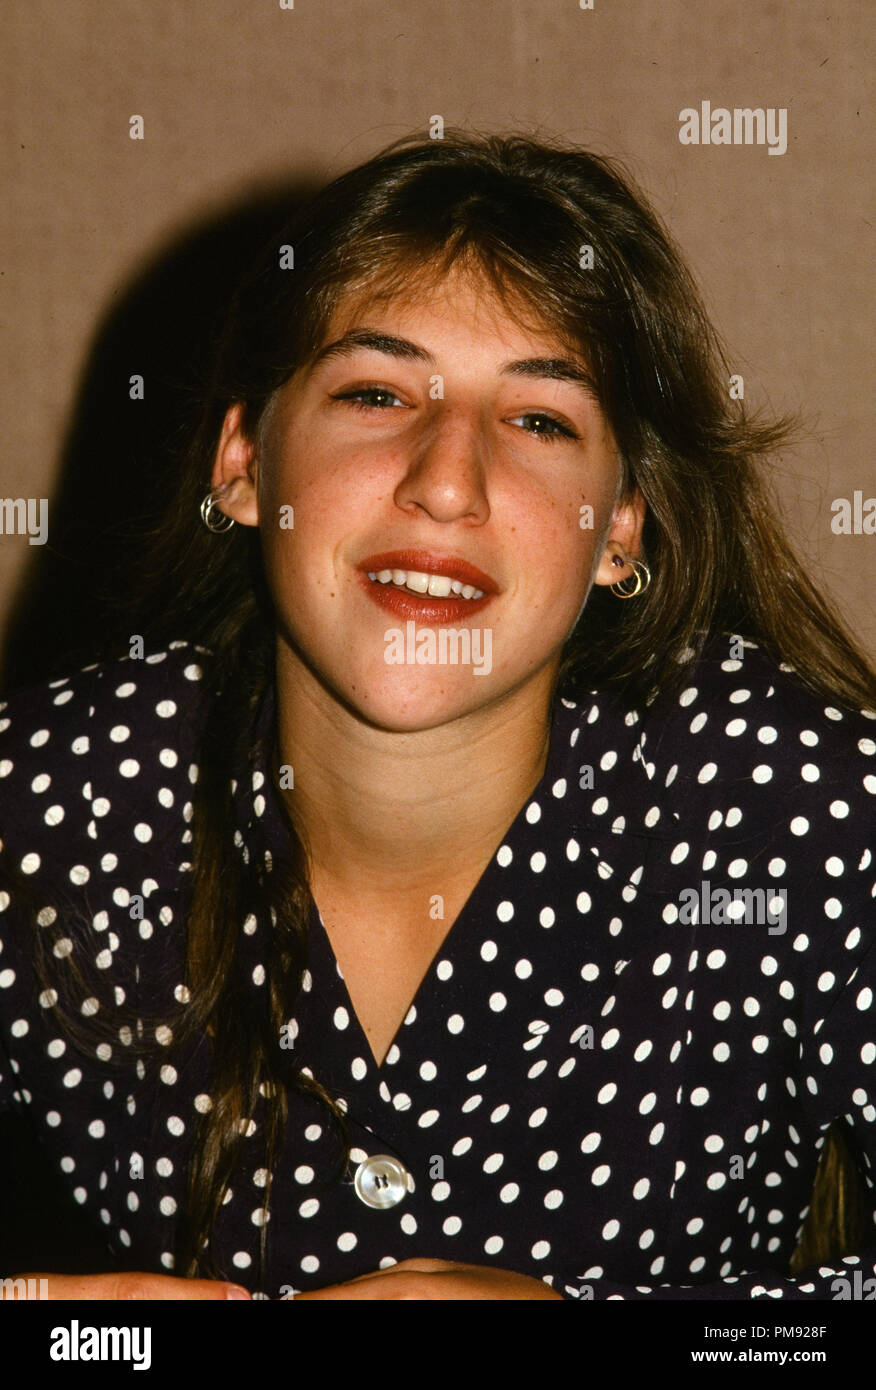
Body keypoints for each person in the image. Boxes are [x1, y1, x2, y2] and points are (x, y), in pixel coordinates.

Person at [0, 131, 874, 1302]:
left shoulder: (786, 797)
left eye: (540, 420)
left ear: (620, 527)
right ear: (245, 462)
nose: (447, 478)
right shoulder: (56, 795)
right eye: (376, 392)